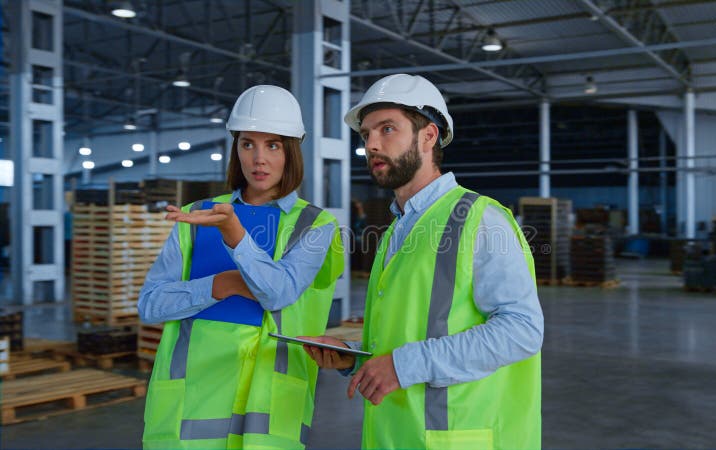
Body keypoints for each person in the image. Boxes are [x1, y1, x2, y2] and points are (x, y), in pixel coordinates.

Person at [302, 74, 544, 449]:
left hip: (458, 438)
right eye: (366, 134)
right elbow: (411, 329)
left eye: (387, 129)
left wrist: (403, 365)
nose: (373, 145)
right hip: (395, 435)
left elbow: (522, 330)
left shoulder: (481, 219)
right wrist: (354, 359)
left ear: (428, 136)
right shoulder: (398, 229)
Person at [138, 85, 344, 449]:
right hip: (191, 406)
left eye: (273, 145)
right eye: (248, 143)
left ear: (291, 151)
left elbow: (278, 293)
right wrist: (221, 285)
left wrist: (235, 234)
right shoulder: (199, 215)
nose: (258, 159)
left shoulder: (315, 225)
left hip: (268, 405)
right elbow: (150, 305)